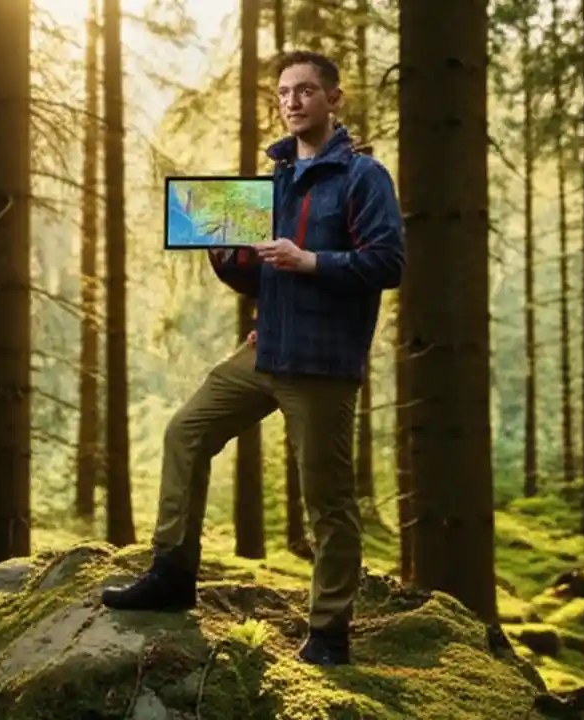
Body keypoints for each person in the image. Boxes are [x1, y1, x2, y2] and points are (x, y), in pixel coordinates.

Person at [100, 50, 405, 667]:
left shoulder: (362, 177)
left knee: (326, 499)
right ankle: (172, 574)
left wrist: (311, 260)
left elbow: (387, 263)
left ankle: (328, 632)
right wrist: (225, 254)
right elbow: (258, 278)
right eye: (286, 92)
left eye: (307, 91)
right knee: (185, 432)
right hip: (264, 352)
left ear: (333, 100)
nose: (293, 102)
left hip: (321, 365)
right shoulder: (273, 180)